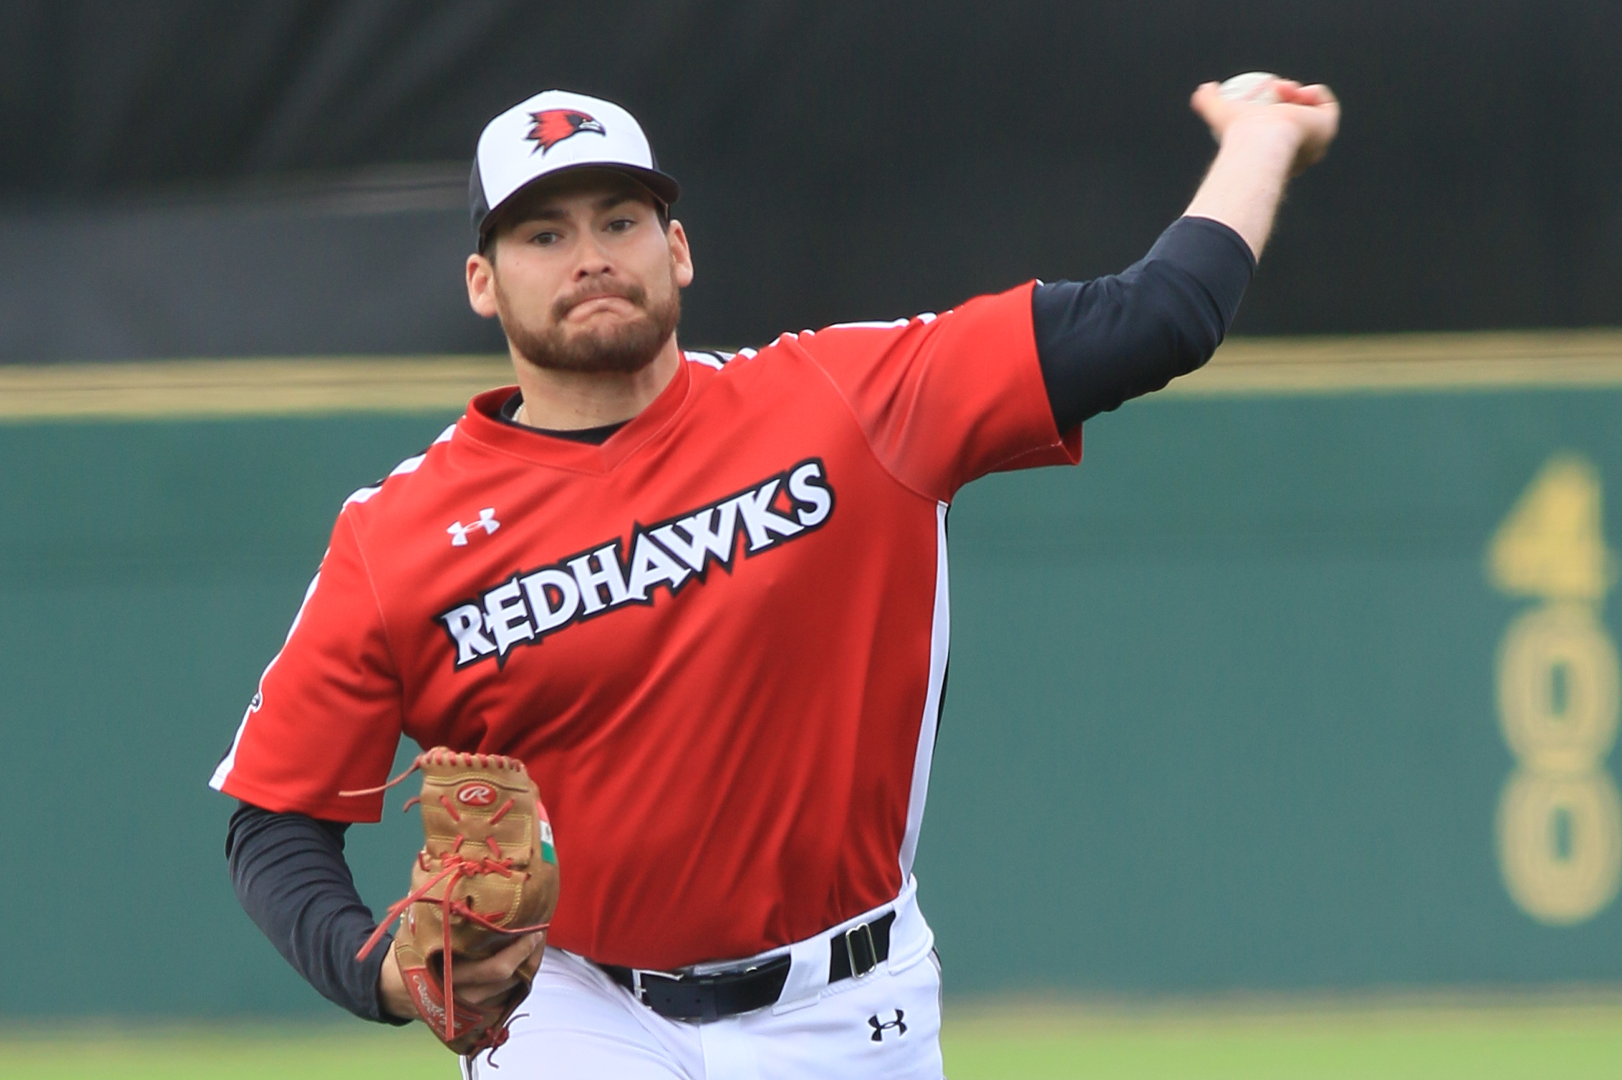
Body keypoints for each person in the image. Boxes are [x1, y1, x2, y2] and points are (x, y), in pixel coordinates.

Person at [213, 80, 1340, 1078]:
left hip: (847, 1009)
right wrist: (385, 978)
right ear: (480, 281)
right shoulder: (400, 532)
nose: (590, 252)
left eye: (620, 219)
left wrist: (1262, 134)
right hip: (575, 1011)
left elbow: (1162, 317)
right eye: (542, 234)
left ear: (680, 249)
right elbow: (275, 819)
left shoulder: (848, 401)